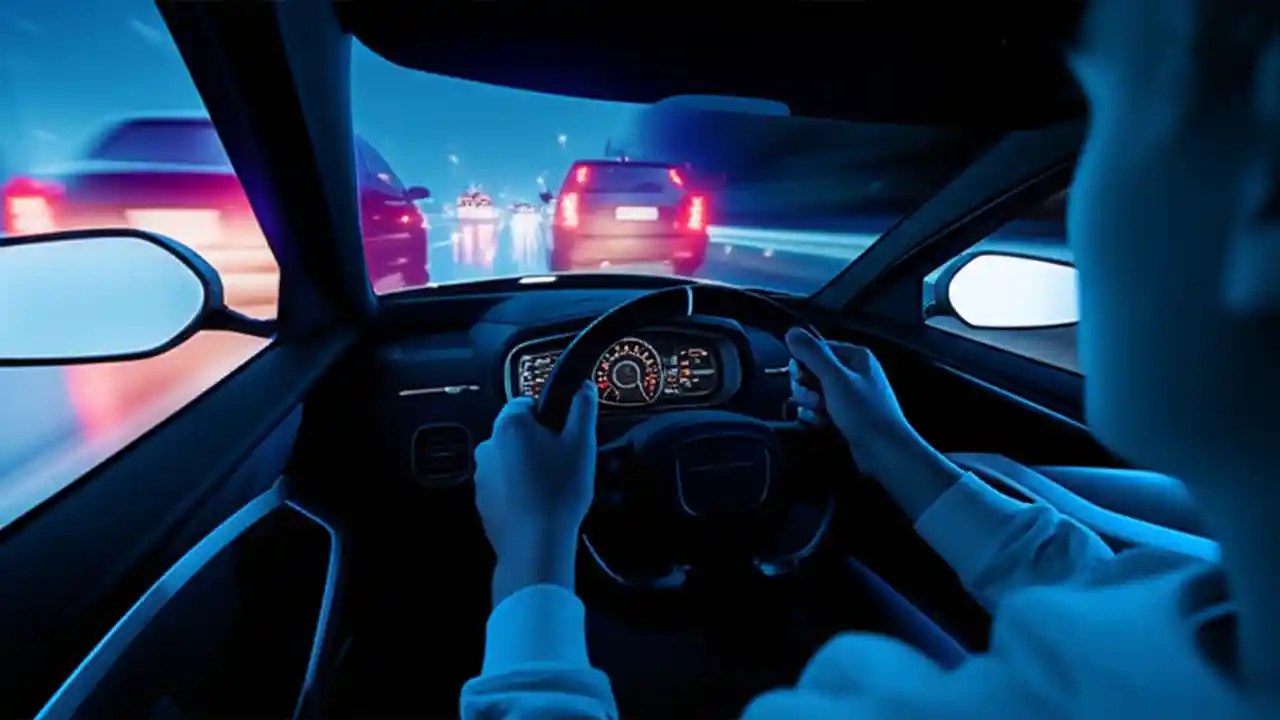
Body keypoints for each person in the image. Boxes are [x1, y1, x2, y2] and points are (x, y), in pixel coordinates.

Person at [461, 0, 1280, 717]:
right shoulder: (1209, 622)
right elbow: (1096, 588)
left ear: (1263, 209)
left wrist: (534, 548)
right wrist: (889, 444)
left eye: (1104, 119)